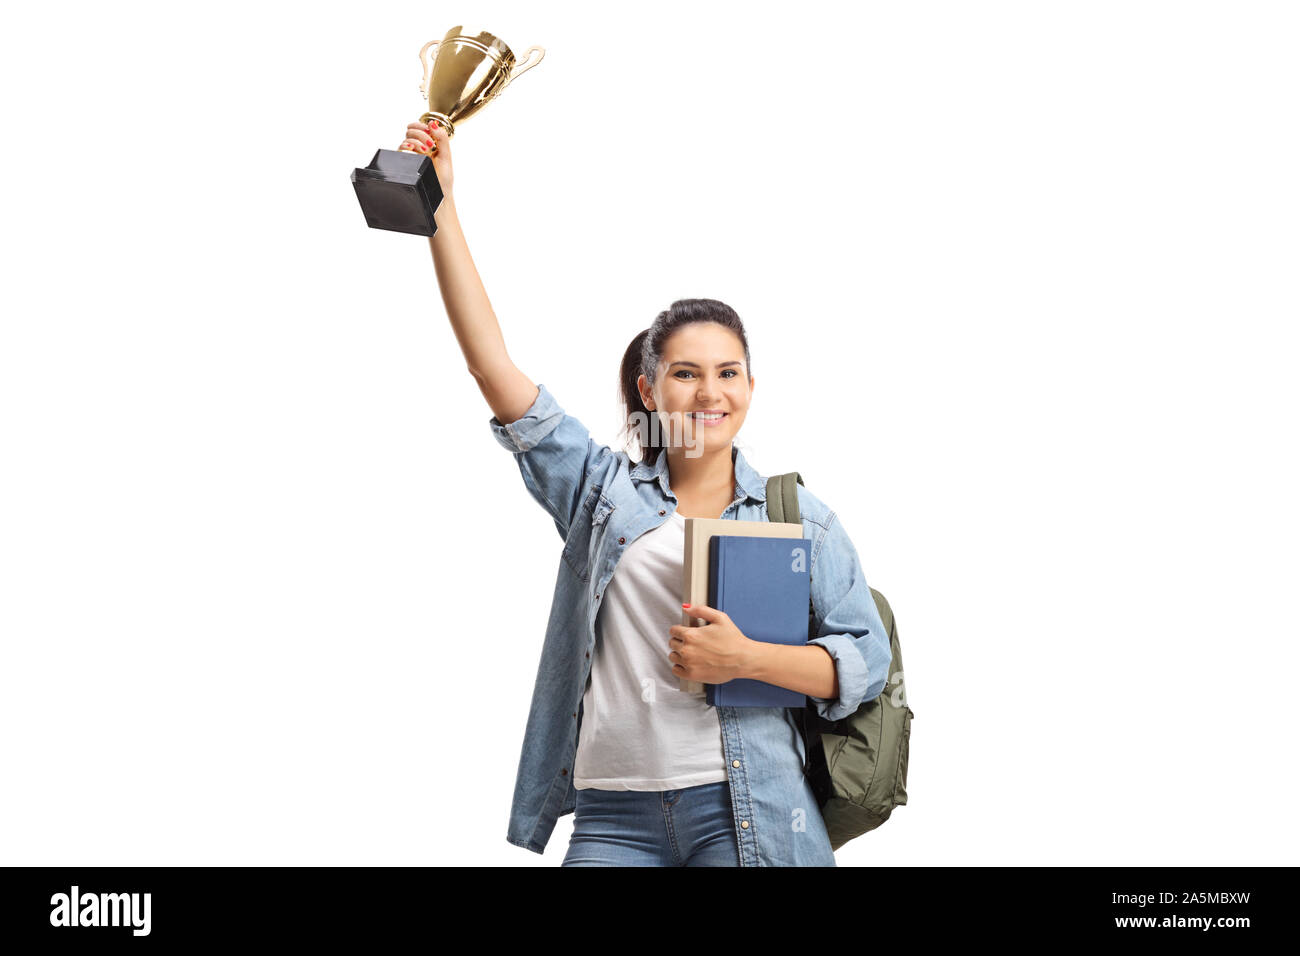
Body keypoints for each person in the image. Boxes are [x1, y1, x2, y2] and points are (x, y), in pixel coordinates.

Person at [401, 120, 893, 866]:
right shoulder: (602, 493)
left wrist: (746, 659)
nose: (710, 392)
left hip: (744, 809)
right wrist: (439, 208)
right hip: (611, 815)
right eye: (686, 373)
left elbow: (863, 664)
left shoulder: (801, 522)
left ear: (751, 387)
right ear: (649, 387)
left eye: (728, 372)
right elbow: (493, 370)